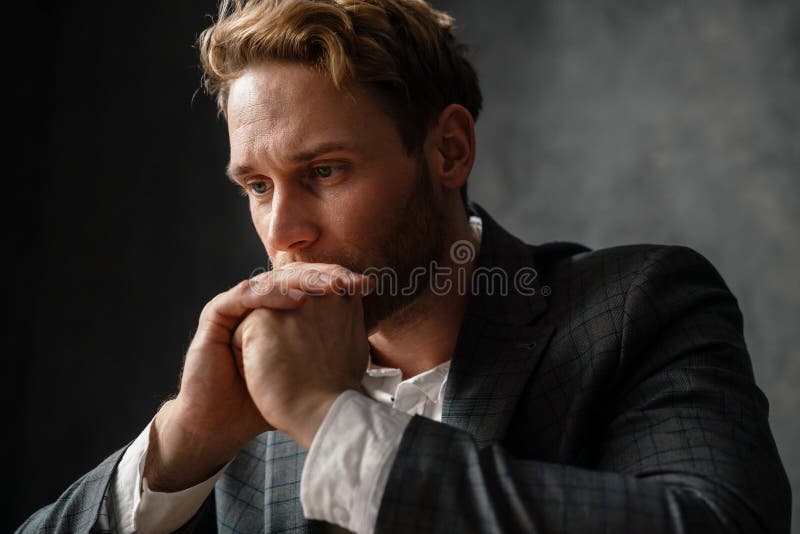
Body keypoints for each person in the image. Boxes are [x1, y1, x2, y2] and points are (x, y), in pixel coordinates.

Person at [18, 0, 791, 532]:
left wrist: (327, 419)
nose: (283, 231)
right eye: (257, 186)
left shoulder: (640, 306)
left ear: (448, 150)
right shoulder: (238, 408)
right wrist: (184, 441)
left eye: (324, 171)